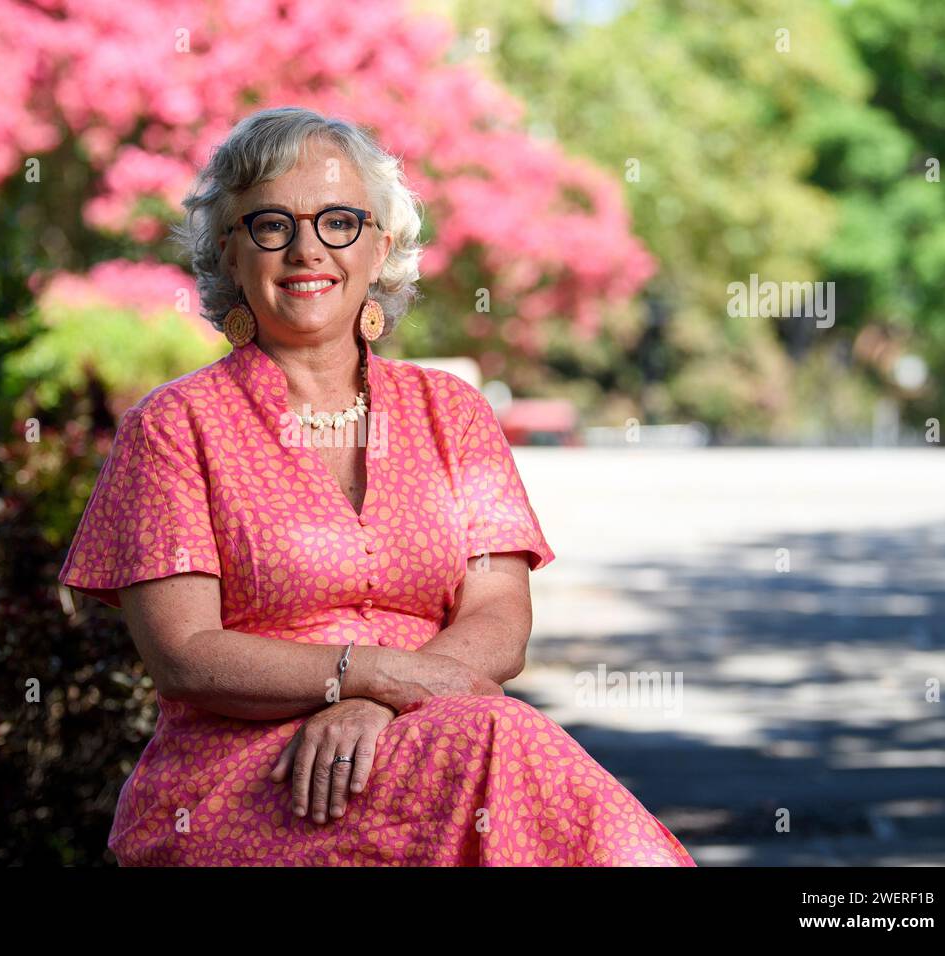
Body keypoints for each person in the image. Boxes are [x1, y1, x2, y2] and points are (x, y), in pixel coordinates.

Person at [58, 106, 696, 866]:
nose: (306, 250)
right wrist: (364, 676)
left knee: (494, 740)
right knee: (503, 737)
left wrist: (373, 704)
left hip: (436, 744)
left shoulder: (451, 412)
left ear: (380, 247)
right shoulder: (173, 427)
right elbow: (185, 655)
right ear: (229, 252)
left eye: (339, 222)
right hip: (248, 784)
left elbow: (500, 620)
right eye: (270, 225)